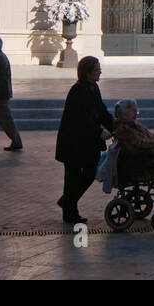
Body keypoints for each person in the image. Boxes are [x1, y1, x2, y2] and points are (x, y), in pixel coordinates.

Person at [54, 55, 114, 225]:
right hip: (73, 143)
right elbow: (81, 118)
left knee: (89, 174)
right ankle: (69, 212)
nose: (100, 71)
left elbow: (101, 111)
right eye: (97, 69)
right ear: (87, 73)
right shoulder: (78, 90)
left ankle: (67, 202)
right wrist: (99, 132)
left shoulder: (93, 88)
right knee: (72, 178)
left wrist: (115, 126)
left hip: (87, 143)